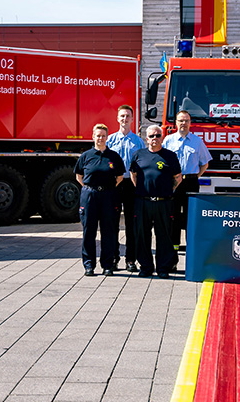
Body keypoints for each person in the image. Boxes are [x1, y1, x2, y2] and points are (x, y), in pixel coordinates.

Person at [130, 125, 182, 278]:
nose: (155, 138)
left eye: (158, 135)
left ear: (162, 137)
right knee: (142, 234)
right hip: (143, 202)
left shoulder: (170, 156)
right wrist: (144, 190)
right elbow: (134, 175)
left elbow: (177, 178)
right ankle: (145, 267)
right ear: (147, 139)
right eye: (151, 136)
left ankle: (163, 268)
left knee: (164, 235)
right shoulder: (138, 155)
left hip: (164, 202)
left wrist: (166, 191)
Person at [74, 124, 125, 277]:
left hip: (108, 196)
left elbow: (120, 177)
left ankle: (108, 265)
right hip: (90, 195)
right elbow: (79, 176)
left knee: (108, 231)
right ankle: (89, 265)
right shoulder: (86, 156)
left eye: (103, 135)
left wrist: (106, 189)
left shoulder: (113, 156)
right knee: (89, 231)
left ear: (107, 137)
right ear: (93, 137)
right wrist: (91, 189)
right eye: (98, 135)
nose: (101, 138)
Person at [162, 110, 211, 266]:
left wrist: (195, 176)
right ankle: (173, 257)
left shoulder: (197, 142)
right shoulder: (168, 141)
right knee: (173, 218)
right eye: (180, 120)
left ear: (191, 123)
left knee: (192, 218)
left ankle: (193, 256)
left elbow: (205, 163)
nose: (183, 123)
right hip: (173, 184)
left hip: (190, 182)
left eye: (186, 120)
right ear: (176, 123)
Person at [106, 104, 144, 273]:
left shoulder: (138, 141)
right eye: (122, 116)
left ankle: (130, 260)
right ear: (117, 118)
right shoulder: (110, 140)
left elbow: (143, 163)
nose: (125, 119)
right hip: (114, 185)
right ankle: (113, 258)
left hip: (131, 184)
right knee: (112, 222)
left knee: (131, 224)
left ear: (132, 119)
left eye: (128, 116)